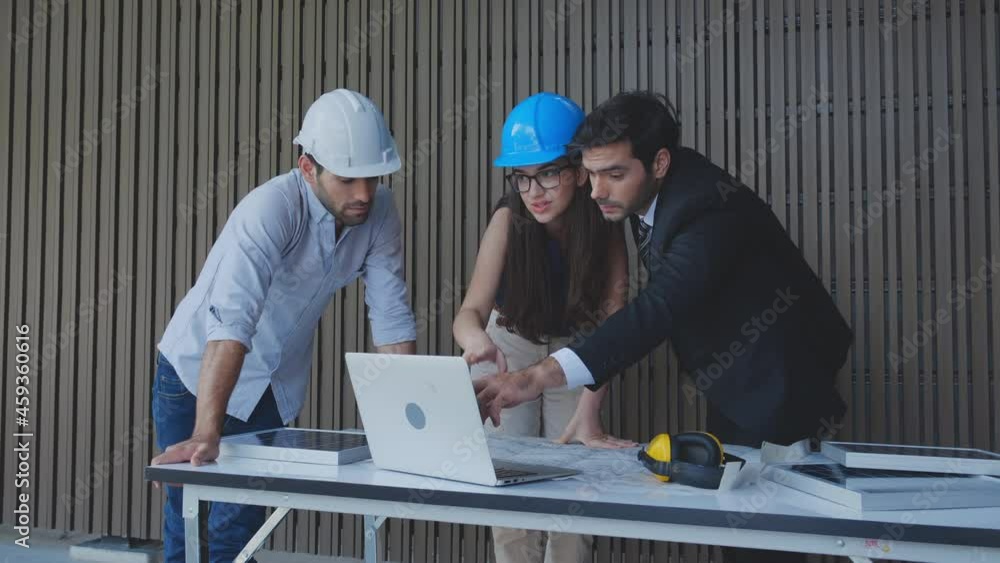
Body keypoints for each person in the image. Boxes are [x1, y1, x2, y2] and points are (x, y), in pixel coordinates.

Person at [474, 91, 853, 563]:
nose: (596, 191)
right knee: (738, 527)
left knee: (769, 538)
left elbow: (655, 310)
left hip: (782, 379)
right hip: (735, 378)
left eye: (614, 174)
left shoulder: (705, 209)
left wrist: (534, 377)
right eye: (591, 174)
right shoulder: (647, 191)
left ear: (659, 162)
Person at [150, 89, 418, 563]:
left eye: (373, 179)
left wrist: (407, 426)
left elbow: (390, 314)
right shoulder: (270, 209)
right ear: (308, 168)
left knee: (239, 535)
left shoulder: (379, 213)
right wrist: (205, 431)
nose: (363, 194)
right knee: (191, 524)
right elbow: (233, 322)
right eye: (348, 179)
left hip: (272, 385)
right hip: (196, 372)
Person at [453, 92, 634, 563]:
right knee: (508, 480)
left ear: (577, 169)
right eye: (524, 177)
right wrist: (477, 344)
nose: (535, 191)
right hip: (508, 343)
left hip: (577, 354)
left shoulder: (605, 217)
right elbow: (469, 312)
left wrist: (590, 410)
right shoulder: (508, 217)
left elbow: (616, 323)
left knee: (574, 480)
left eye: (549, 173)